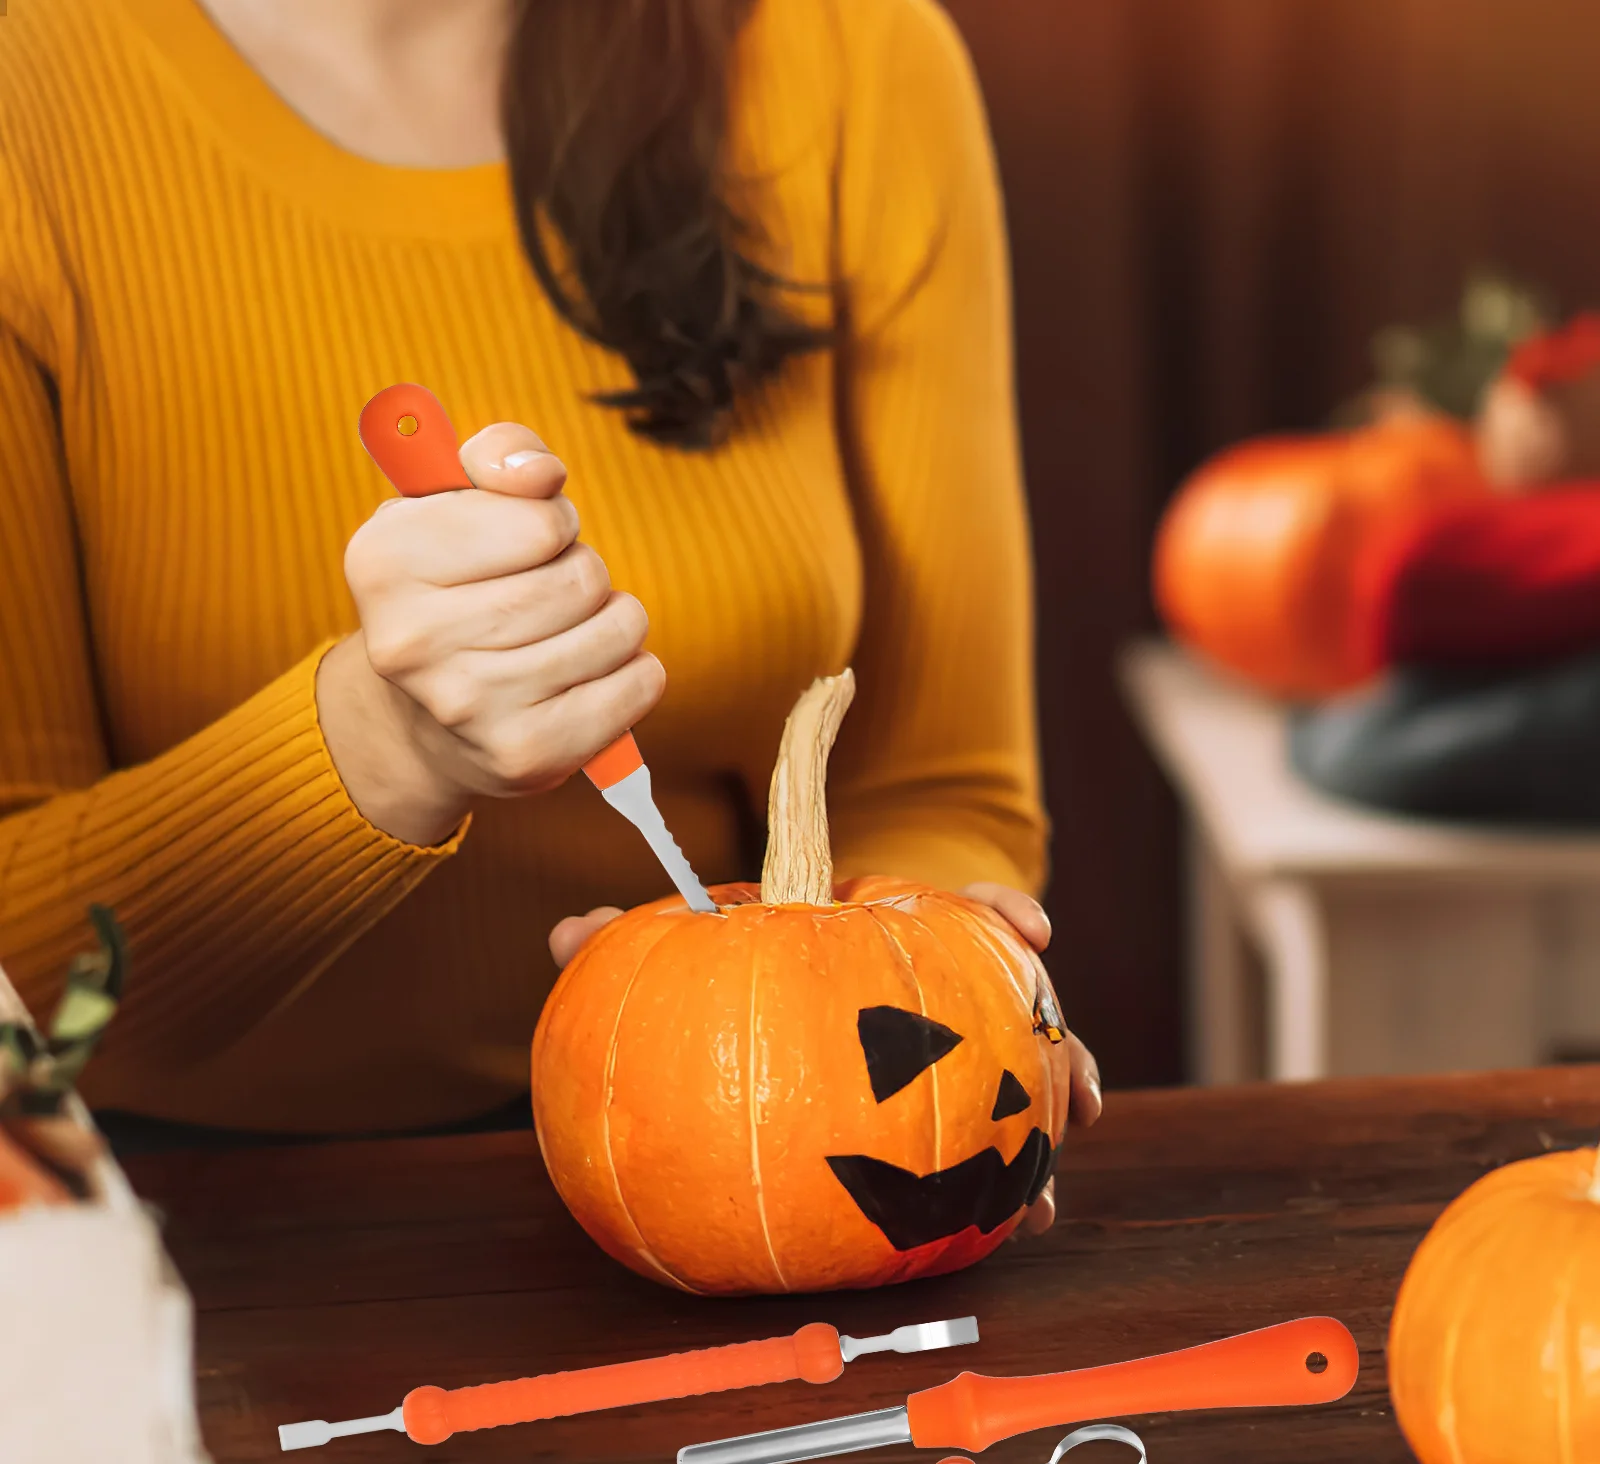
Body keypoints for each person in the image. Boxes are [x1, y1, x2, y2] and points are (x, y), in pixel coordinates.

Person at [0, 0, 1099, 1229]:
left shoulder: (846, 53)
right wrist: (381, 746)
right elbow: (17, 978)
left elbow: (940, 779)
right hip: (146, 1218)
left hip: (734, 1168)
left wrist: (917, 1003)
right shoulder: (28, 97)